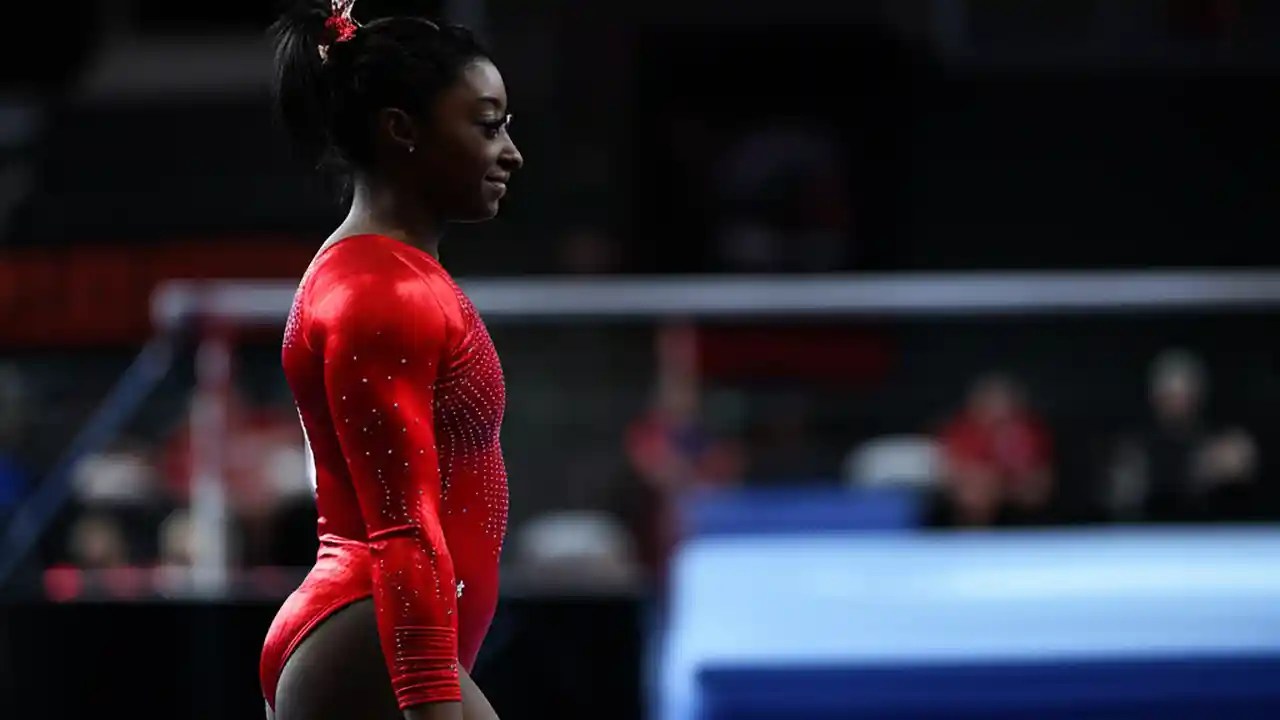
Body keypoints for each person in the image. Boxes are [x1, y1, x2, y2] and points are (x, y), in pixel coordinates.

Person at [260, 1, 523, 719]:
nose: (511, 151)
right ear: (401, 130)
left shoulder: (389, 276)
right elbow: (403, 526)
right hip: (376, 642)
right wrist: (430, 699)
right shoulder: (380, 295)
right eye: (487, 124)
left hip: (380, 641)